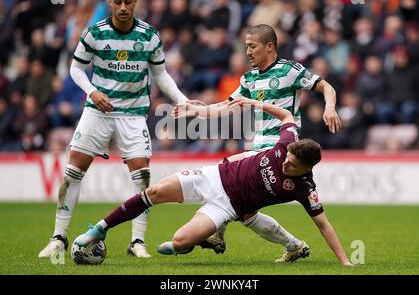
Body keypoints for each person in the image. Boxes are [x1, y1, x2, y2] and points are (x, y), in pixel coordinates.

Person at [73, 98, 353, 265]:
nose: (285, 161)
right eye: (287, 156)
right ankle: (100, 229)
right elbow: (288, 115)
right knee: (155, 191)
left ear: (306, 167)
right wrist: (256, 104)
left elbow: (323, 225)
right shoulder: (288, 142)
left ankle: (207, 234)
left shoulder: (306, 189)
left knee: (180, 243)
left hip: (227, 207)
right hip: (214, 176)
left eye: (291, 163)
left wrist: (345, 261)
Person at [39, 0, 194, 259]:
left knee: (142, 178)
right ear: (110, 2)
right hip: (97, 112)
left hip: (133, 115)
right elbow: (75, 69)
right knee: (73, 172)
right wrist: (92, 91)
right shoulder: (95, 32)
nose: (123, 7)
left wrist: (181, 100)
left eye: (128, 2)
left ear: (136, 2)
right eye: (117, 2)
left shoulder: (149, 35)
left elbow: (161, 75)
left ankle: (136, 242)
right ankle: (58, 238)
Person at [174, 24, 342, 254]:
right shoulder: (249, 78)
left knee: (227, 176)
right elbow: (226, 106)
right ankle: (294, 247)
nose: (248, 52)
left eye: (252, 46)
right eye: (246, 47)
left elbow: (326, 87)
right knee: (244, 210)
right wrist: (195, 111)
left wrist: (330, 108)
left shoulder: (289, 70)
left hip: (281, 148)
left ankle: (217, 233)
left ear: (270, 47)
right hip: (257, 146)